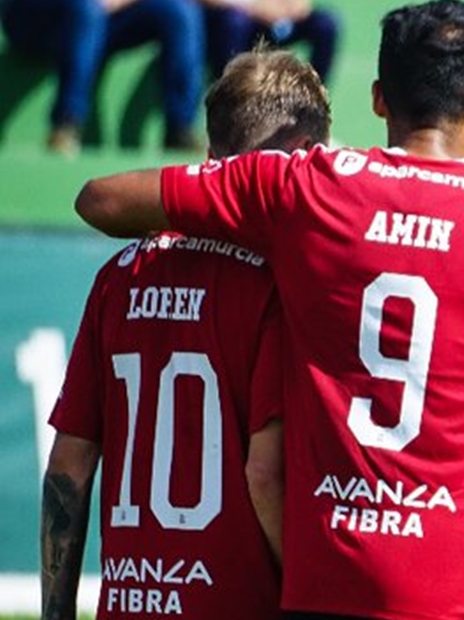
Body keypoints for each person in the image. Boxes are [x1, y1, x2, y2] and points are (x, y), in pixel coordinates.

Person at [75, 0, 464, 620]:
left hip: (331, 577)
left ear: (378, 98)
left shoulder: (307, 186)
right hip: (459, 589)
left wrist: (230, 186)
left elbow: (100, 201)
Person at [41, 48, 332, 620]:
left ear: (209, 151)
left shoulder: (119, 277)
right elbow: (266, 477)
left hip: (128, 604)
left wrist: (56, 613)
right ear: (307, 157)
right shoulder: (276, 284)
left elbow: (68, 466)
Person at [0, 0, 205, 156]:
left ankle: (180, 129)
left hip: (105, 6)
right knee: (86, 9)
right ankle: (66, 124)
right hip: (35, 8)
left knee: (180, 12)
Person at [169, 0, 340, 84]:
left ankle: (312, 110)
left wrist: (291, 1)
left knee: (324, 24)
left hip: (255, 17)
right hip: (214, 18)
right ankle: (230, 102)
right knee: (234, 21)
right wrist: (251, 7)